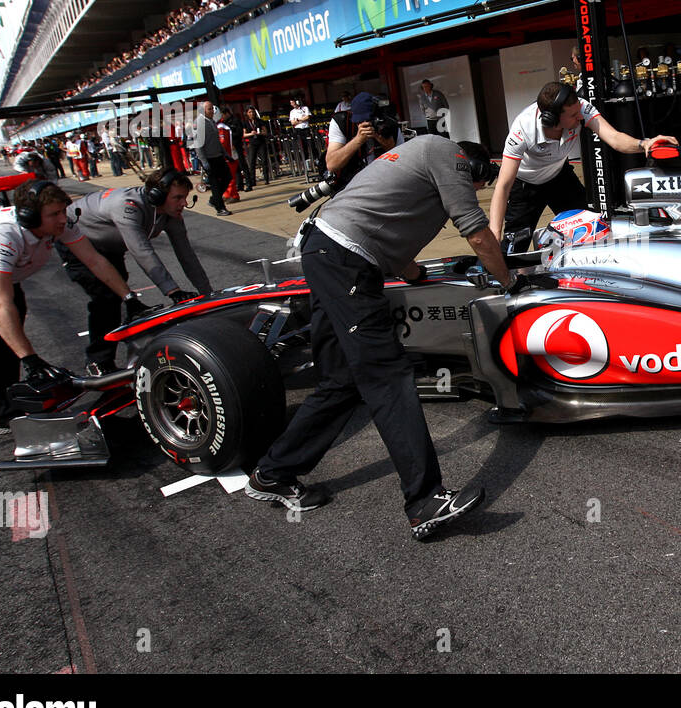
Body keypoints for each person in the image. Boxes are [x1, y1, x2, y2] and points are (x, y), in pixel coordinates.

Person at [245, 136, 510, 539]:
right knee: (388, 376)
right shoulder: (450, 155)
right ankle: (425, 501)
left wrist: (421, 276)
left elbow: (387, 230)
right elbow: (475, 230)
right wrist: (508, 281)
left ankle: (272, 473)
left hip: (329, 251)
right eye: (476, 186)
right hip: (346, 261)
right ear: (471, 167)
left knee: (341, 381)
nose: (472, 192)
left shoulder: (417, 161)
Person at [0, 181, 145, 437]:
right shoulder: (1, 236)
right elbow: (0, 304)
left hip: (2, 275)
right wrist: (30, 359)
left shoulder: (61, 223)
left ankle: (5, 414)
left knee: (7, 347)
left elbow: (95, 261)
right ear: (30, 216)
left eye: (63, 210)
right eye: (54, 214)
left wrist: (130, 298)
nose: (63, 218)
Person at [490, 81, 677, 252]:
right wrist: (494, 231)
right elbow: (503, 185)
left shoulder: (581, 108)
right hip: (525, 185)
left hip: (559, 176)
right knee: (514, 247)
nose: (580, 116)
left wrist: (644, 144)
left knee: (591, 230)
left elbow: (614, 138)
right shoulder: (522, 129)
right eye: (573, 115)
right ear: (551, 119)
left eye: (578, 111)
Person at [60, 170, 212, 375]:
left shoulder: (170, 213)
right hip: (77, 241)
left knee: (125, 302)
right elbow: (141, 251)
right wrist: (173, 291)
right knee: (105, 298)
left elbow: (186, 254)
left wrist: (208, 293)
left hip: (109, 247)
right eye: (177, 197)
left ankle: (131, 352)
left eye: (185, 197)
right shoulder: (127, 206)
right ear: (156, 195)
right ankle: (97, 362)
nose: (183, 203)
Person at [324, 92, 399, 188]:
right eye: (359, 121)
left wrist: (384, 141)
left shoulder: (388, 122)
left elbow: (402, 161)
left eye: (368, 120)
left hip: (384, 182)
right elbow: (332, 164)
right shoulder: (342, 122)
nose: (364, 124)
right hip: (351, 184)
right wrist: (358, 140)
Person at [192, 101, 232, 215]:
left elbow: (217, 141)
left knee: (227, 177)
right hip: (209, 158)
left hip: (218, 156)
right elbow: (198, 145)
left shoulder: (212, 121)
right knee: (214, 183)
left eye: (212, 109)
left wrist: (225, 154)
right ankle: (220, 208)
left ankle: (214, 200)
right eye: (209, 109)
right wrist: (204, 162)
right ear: (203, 110)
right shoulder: (199, 123)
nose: (212, 111)